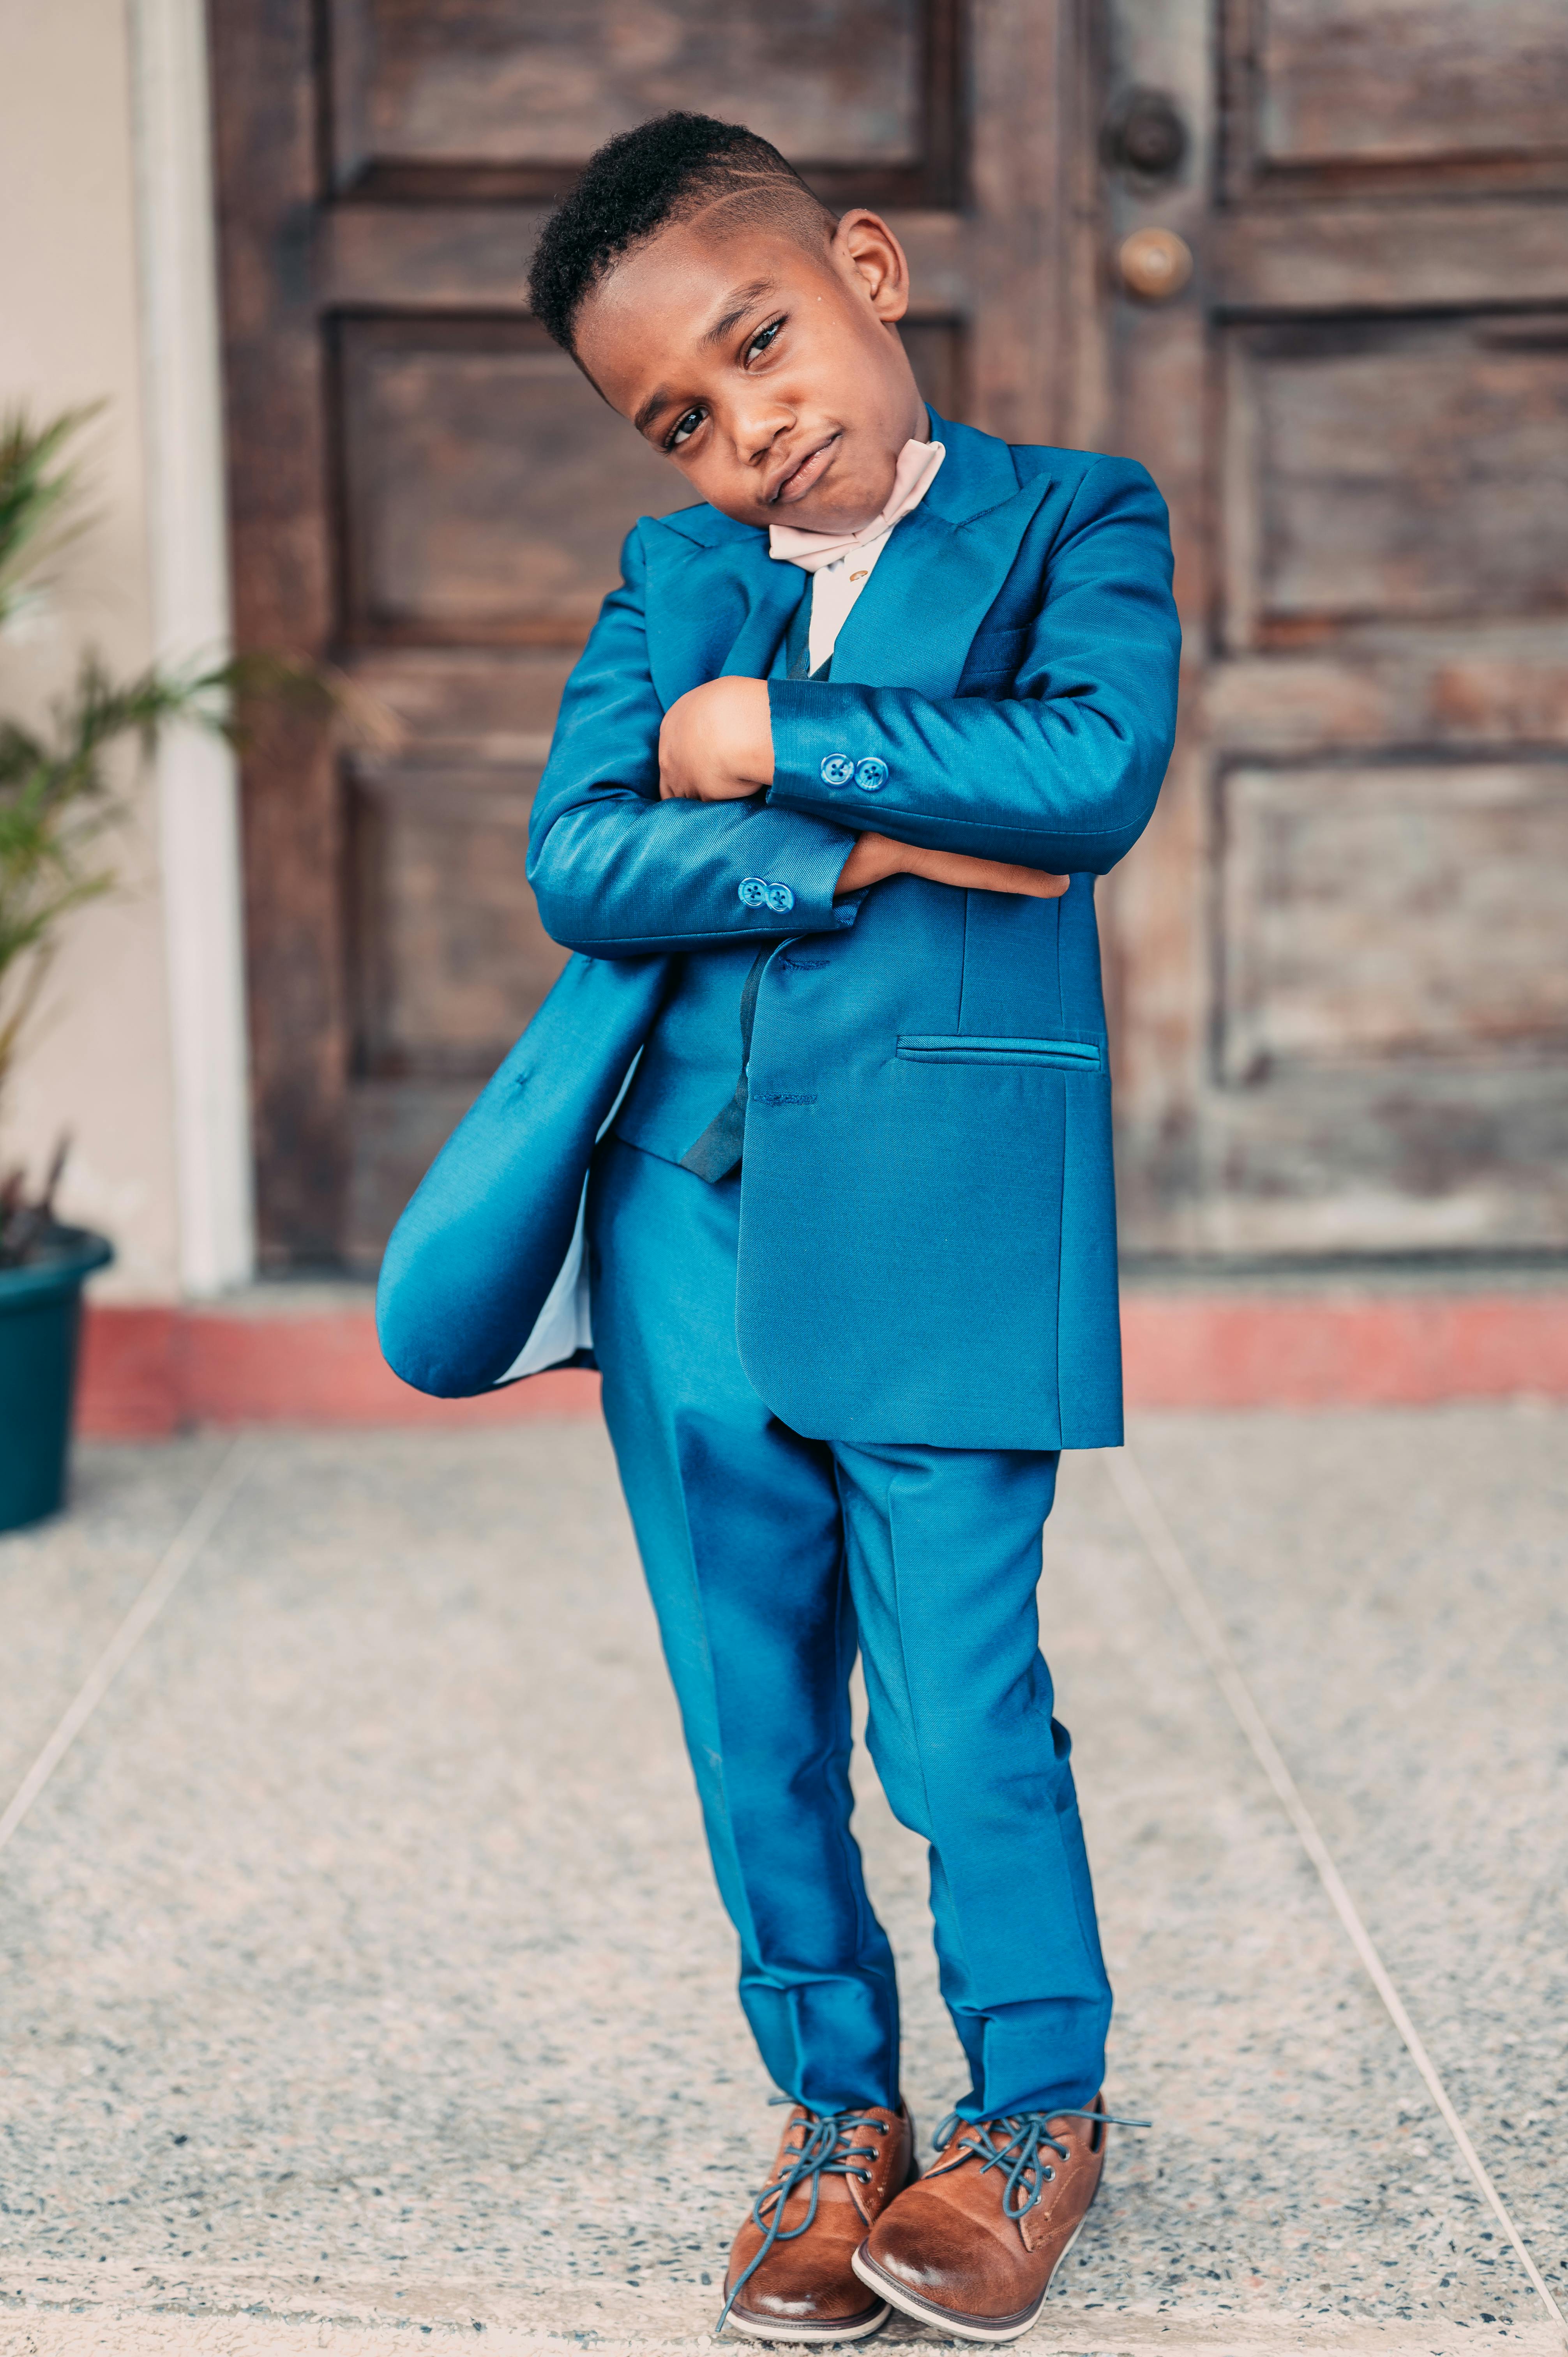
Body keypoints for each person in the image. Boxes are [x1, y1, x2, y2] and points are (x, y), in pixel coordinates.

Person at [392, 107, 1179, 2345]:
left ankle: (1037, 2107)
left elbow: (1085, 775)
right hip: (682, 1231)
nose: (753, 432)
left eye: (763, 348)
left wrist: (776, 734)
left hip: (944, 1219)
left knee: (958, 1710)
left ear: (864, 268)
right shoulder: (670, 590)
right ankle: (834, 2111)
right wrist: (847, 832)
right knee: (751, 1707)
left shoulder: (1071, 519)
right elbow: (580, 858)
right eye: (684, 416)